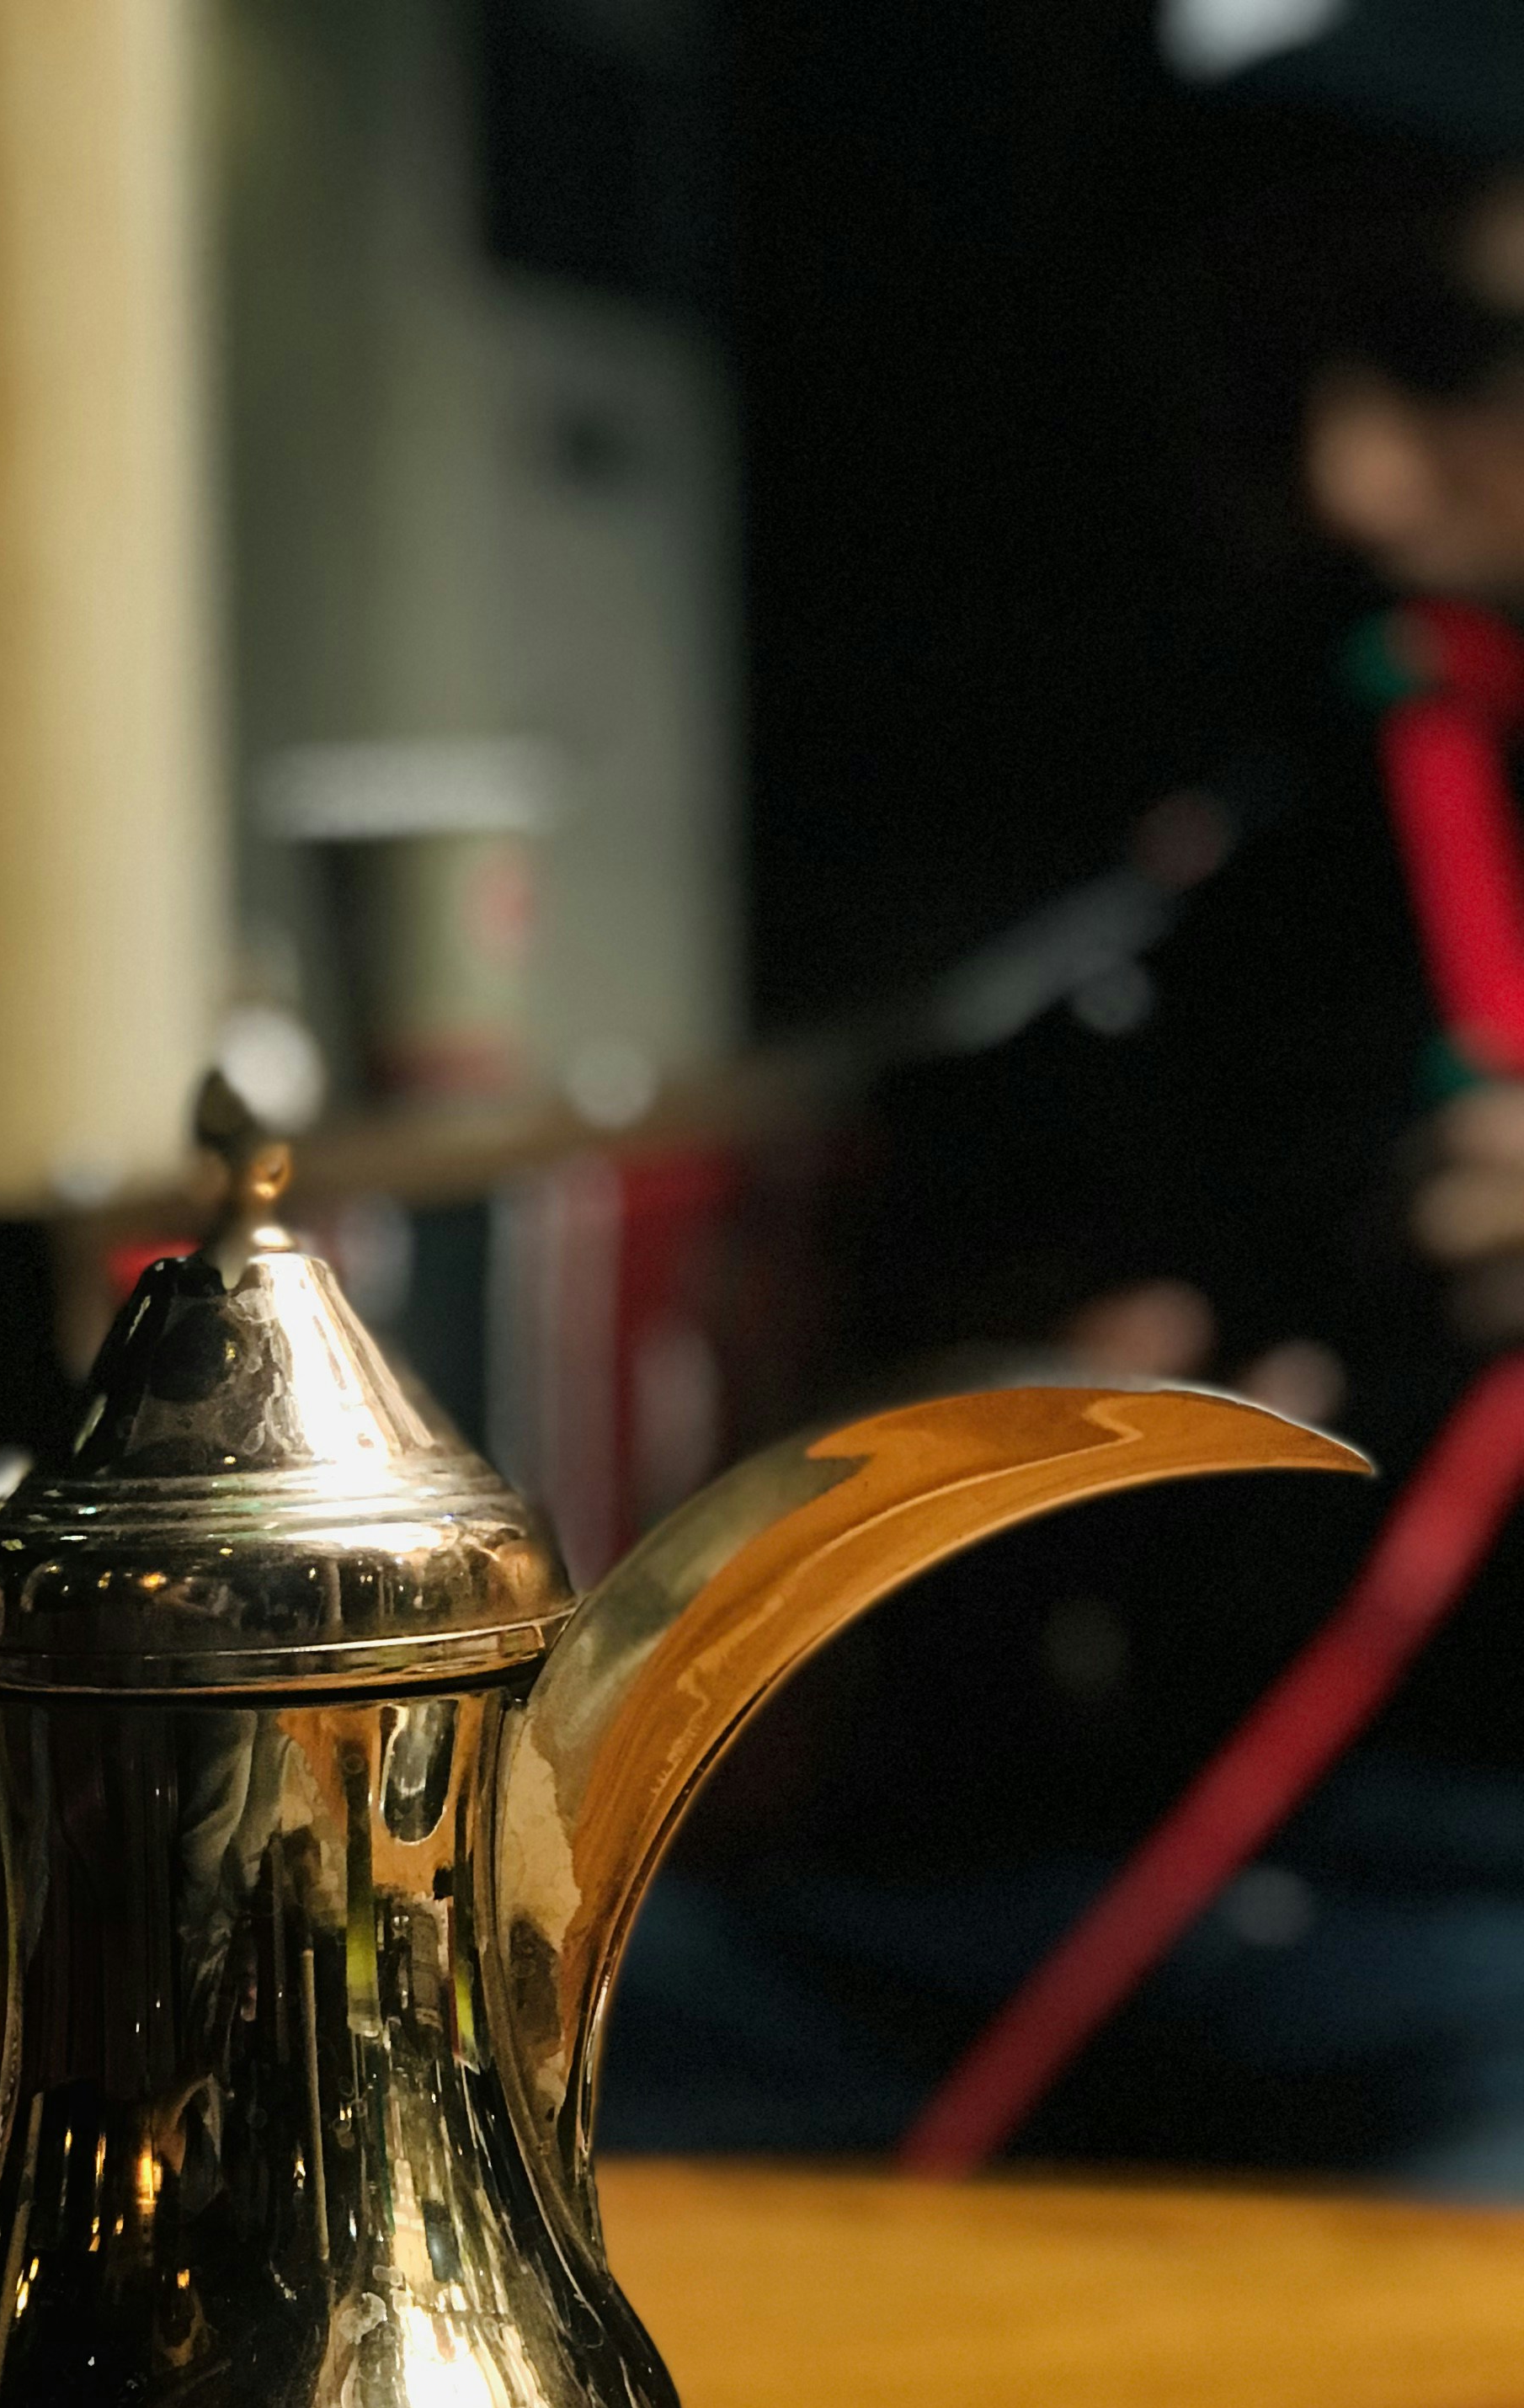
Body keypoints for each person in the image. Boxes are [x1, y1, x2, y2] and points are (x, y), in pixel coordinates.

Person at [603, 24, 1524, 2194]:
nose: (1350, 484)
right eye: (1280, 371)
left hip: (1481, 1928)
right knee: (453, 2117)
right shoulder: (1261, 808)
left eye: (1450, 350)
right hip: (1065, 1873)